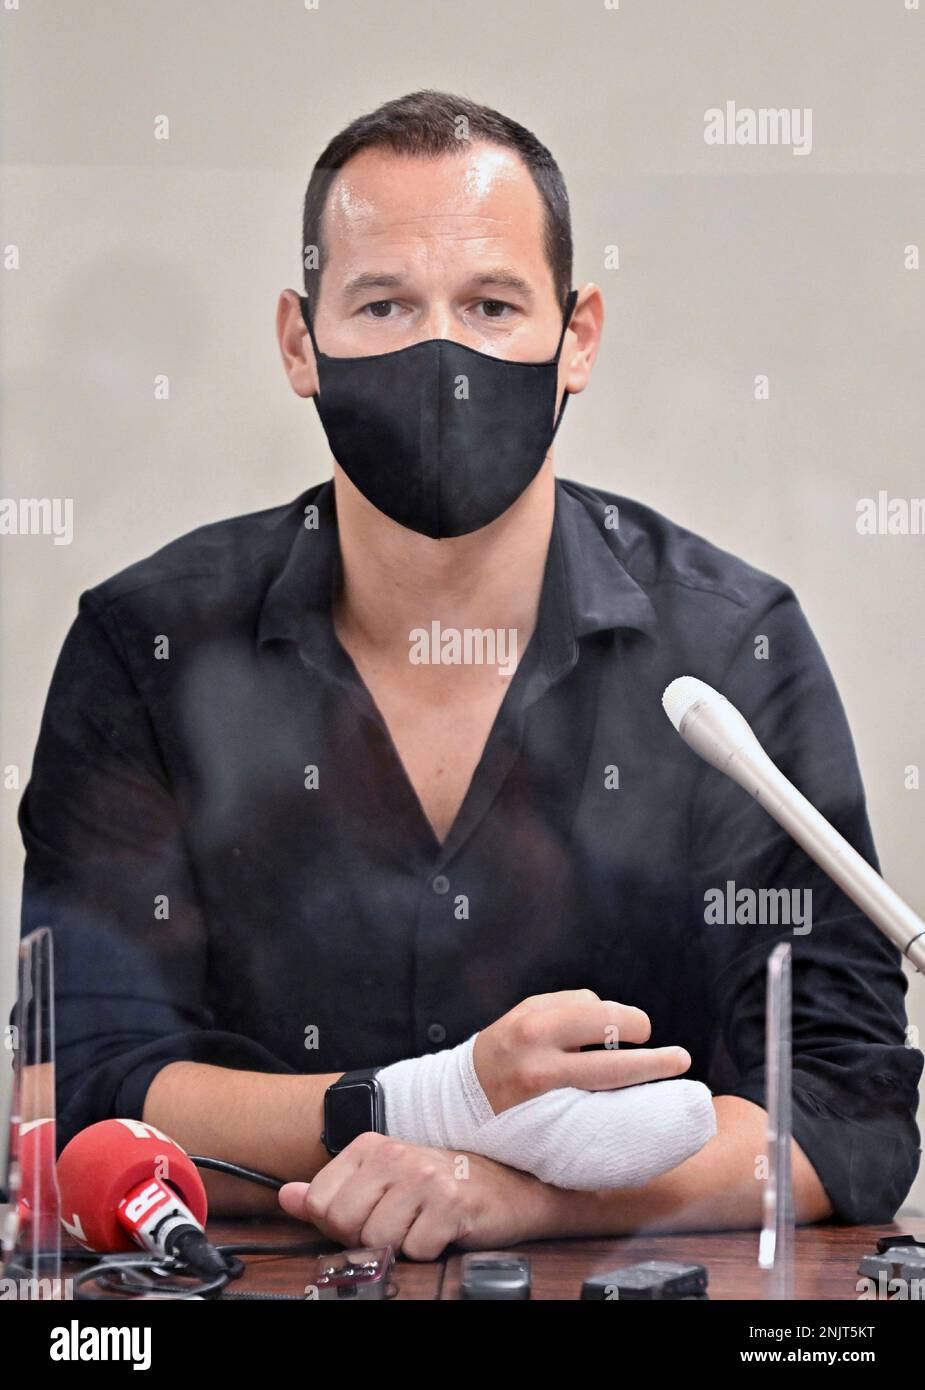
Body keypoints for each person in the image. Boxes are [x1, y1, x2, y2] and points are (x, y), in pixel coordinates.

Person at [17, 90, 922, 1260]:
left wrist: (521, 1198)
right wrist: (435, 1099)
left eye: (492, 306)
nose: (440, 358)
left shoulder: (731, 651)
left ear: (576, 336)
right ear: (301, 342)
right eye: (383, 303)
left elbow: (842, 1107)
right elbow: (76, 1092)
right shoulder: (145, 648)